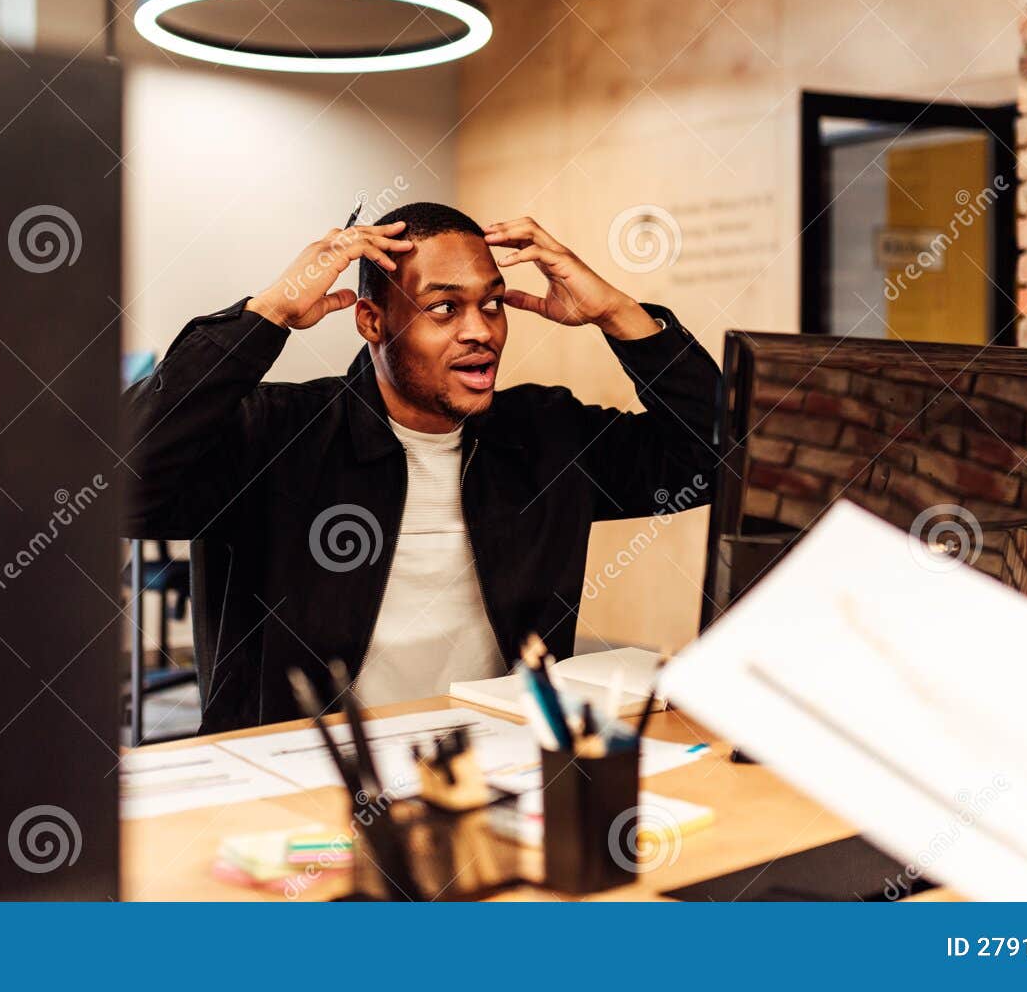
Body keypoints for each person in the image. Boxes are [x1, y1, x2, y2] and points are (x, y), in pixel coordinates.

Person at [123, 203, 719, 732]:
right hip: (301, 784)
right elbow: (120, 484)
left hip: (492, 765)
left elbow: (715, 459)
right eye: (444, 308)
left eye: (492, 304)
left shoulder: (545, 435)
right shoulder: (277, 435)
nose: (480, 331)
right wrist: (267, 313)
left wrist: (620, 315)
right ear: (371, 322)